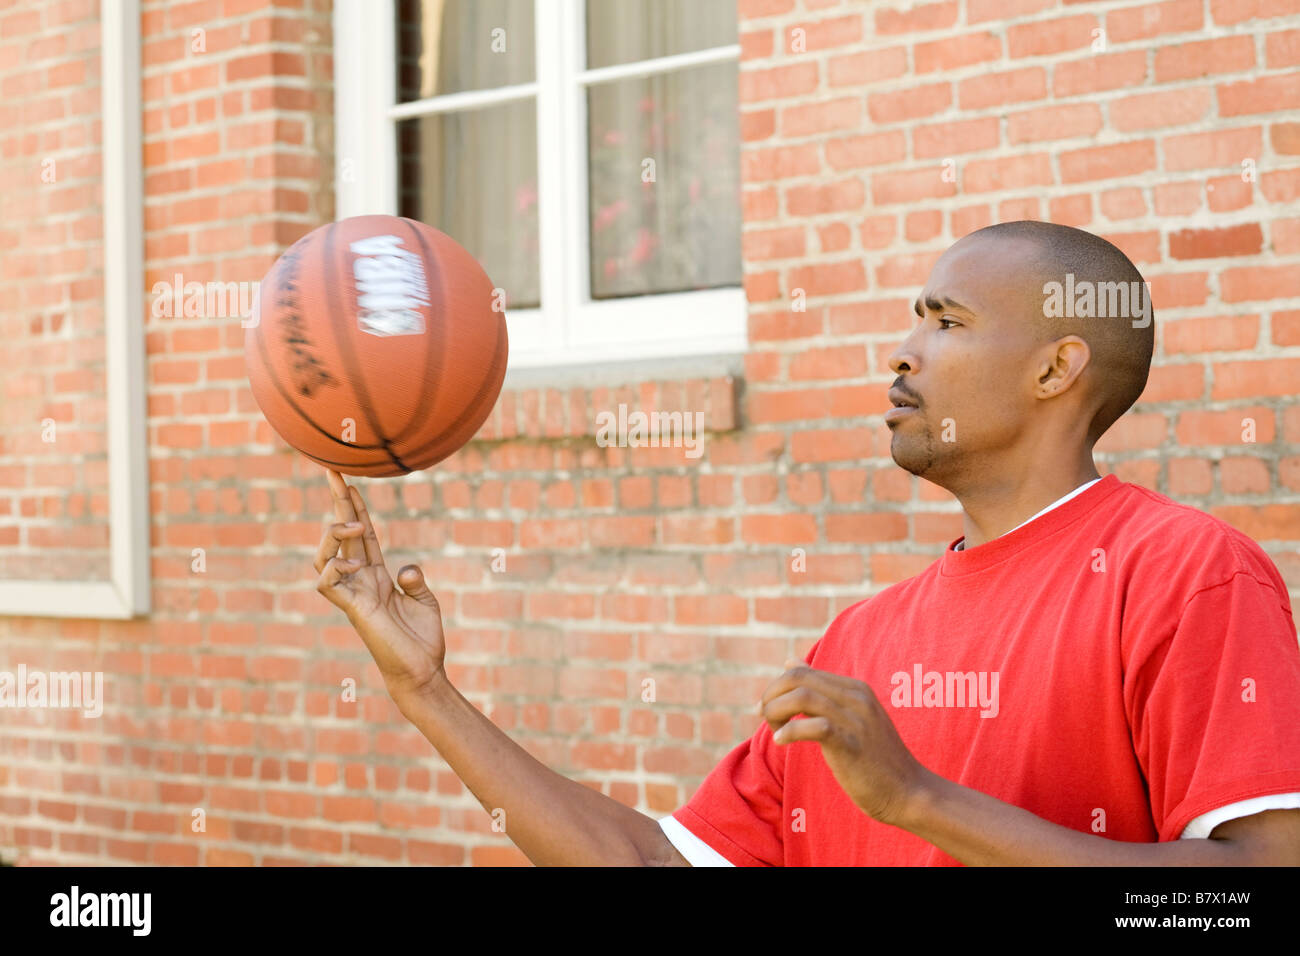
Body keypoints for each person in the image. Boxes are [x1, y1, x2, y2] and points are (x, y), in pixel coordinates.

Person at [312, 221, 1300, 865]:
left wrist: (915, 796)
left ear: (1057, 366)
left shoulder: (1186, 572)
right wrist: (425, 690)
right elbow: (655, 863)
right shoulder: (862, 642)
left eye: (945, 321)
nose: (901, 352)